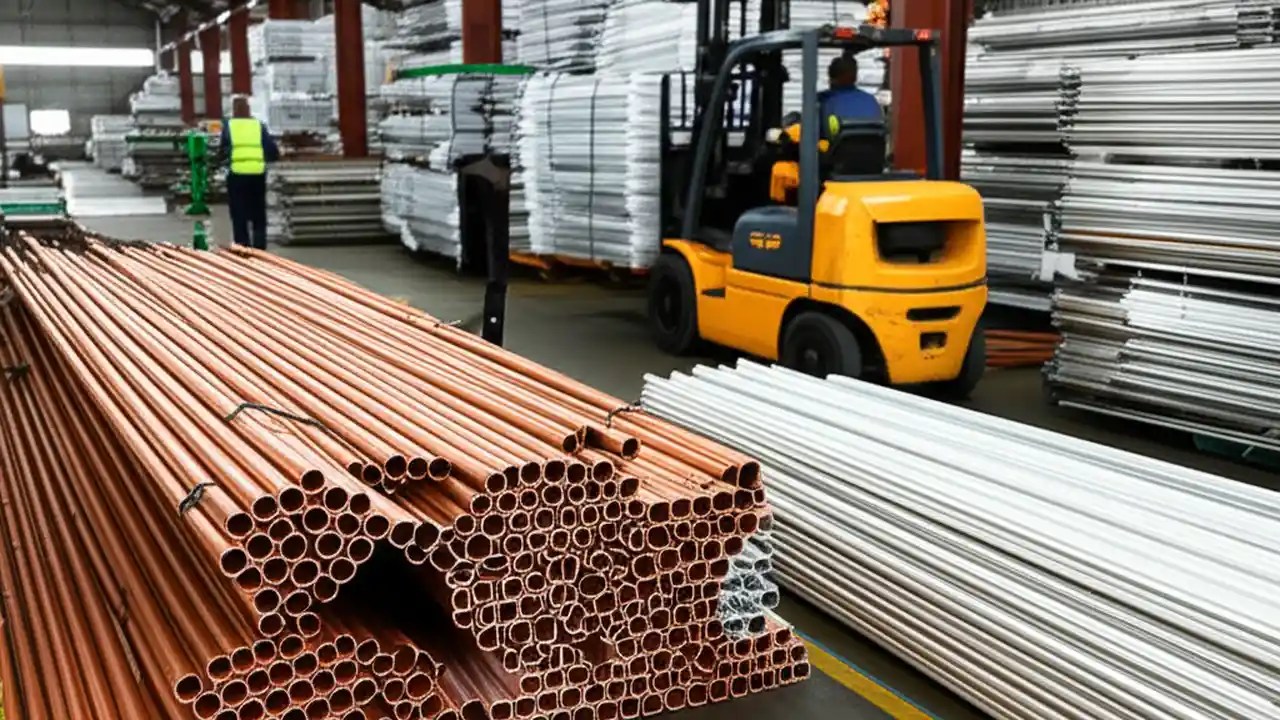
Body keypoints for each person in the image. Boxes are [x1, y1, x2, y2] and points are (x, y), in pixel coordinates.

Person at [220, 97, 280, 250]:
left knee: (239, 214)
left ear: (234, 110)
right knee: (258, 213)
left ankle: (242, 248)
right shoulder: (258, 126)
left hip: (237, 175)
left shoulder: (229, 126)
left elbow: (222, 152)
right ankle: (260, 249)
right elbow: (273, 151)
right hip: (257, 174)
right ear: (248, 109)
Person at [818, 55, 881, 139]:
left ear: (832, 78)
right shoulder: (871, 100)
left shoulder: (824, 102)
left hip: (838, 151)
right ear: (855, 77)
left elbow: (812, 135)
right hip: (872, 150)